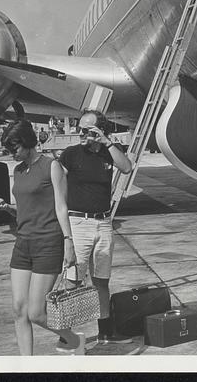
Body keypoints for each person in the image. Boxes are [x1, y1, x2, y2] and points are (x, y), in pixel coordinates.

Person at [0, 120, 84, 355]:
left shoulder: (51, 166)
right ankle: (26, 366)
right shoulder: (18, 170)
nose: (12, 153)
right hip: (23, 243)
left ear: (27, 142)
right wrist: (9, 209)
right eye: (8, 149)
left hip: (48, 243)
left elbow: (61, 207)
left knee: (36, 313)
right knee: (18, 310)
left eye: (15, 148)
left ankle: (72, 339)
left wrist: (68, 242)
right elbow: (29, 206)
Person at [59, 109, 133, 345]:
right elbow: (56, 185)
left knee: (101, 280)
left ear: (101, 130)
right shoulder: (71, 155)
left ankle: (105, 332)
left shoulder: (109, 154)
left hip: (103, 223)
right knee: (74, 280)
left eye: (89, 130)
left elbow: (127, 167)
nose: (83, 134)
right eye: (81, 129)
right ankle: (66, 335)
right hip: (78, 222)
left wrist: (107, 142)